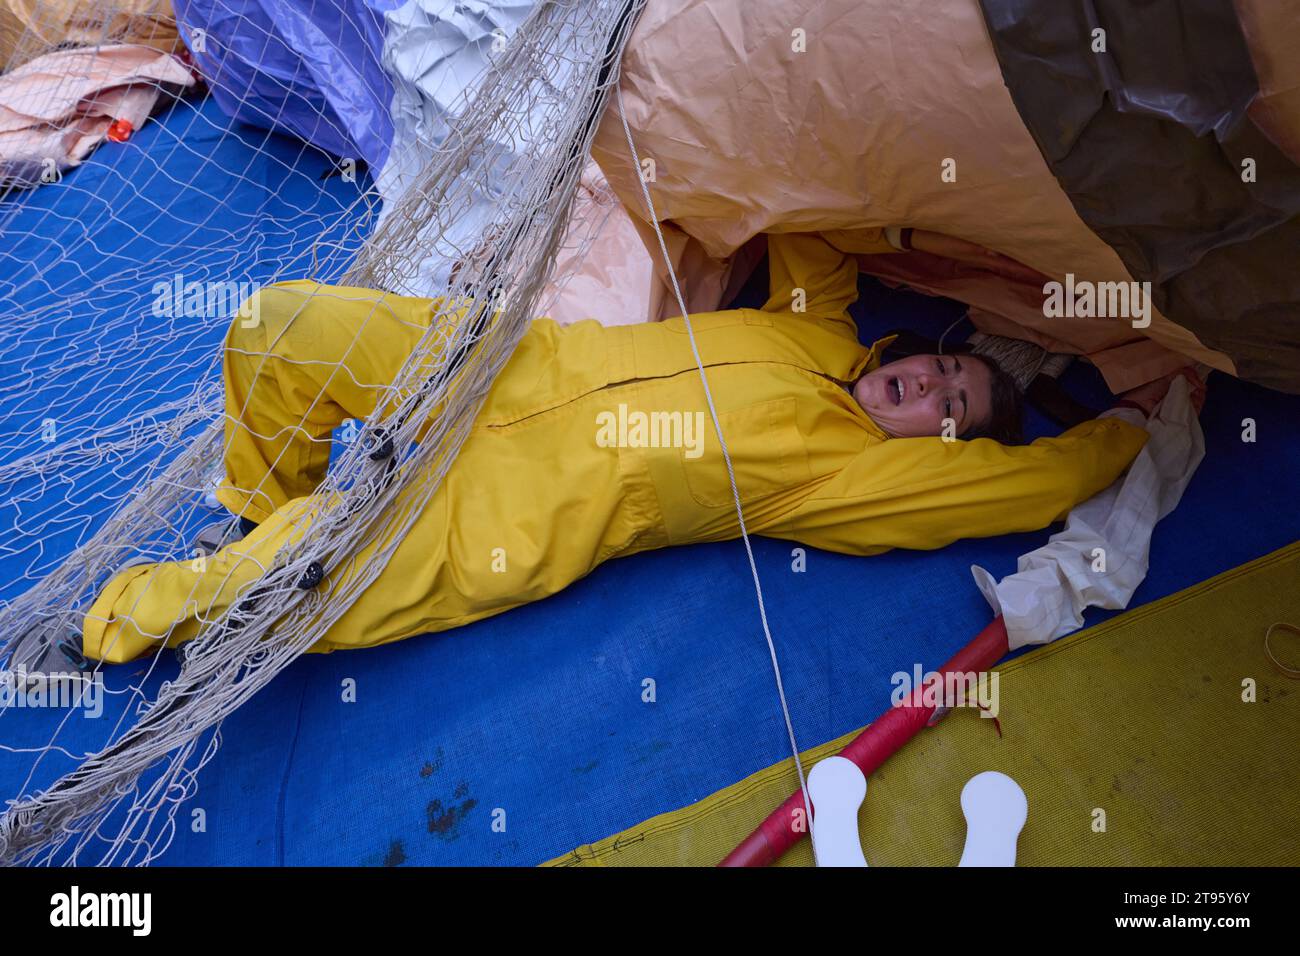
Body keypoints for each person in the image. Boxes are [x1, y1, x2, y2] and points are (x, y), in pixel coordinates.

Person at [22, 232, 1176, 669]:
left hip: (519, 507)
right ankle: (263, 494)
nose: (931, 387)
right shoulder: (816, 324)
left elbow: (1035, 477)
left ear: (942, 444)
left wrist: (1131, 420)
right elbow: (818, 218)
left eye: (953, 408)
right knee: (277, 325)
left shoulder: (856, 476)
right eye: (942, 368)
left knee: (280, 586)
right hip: (500, 366)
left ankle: (102, 626)